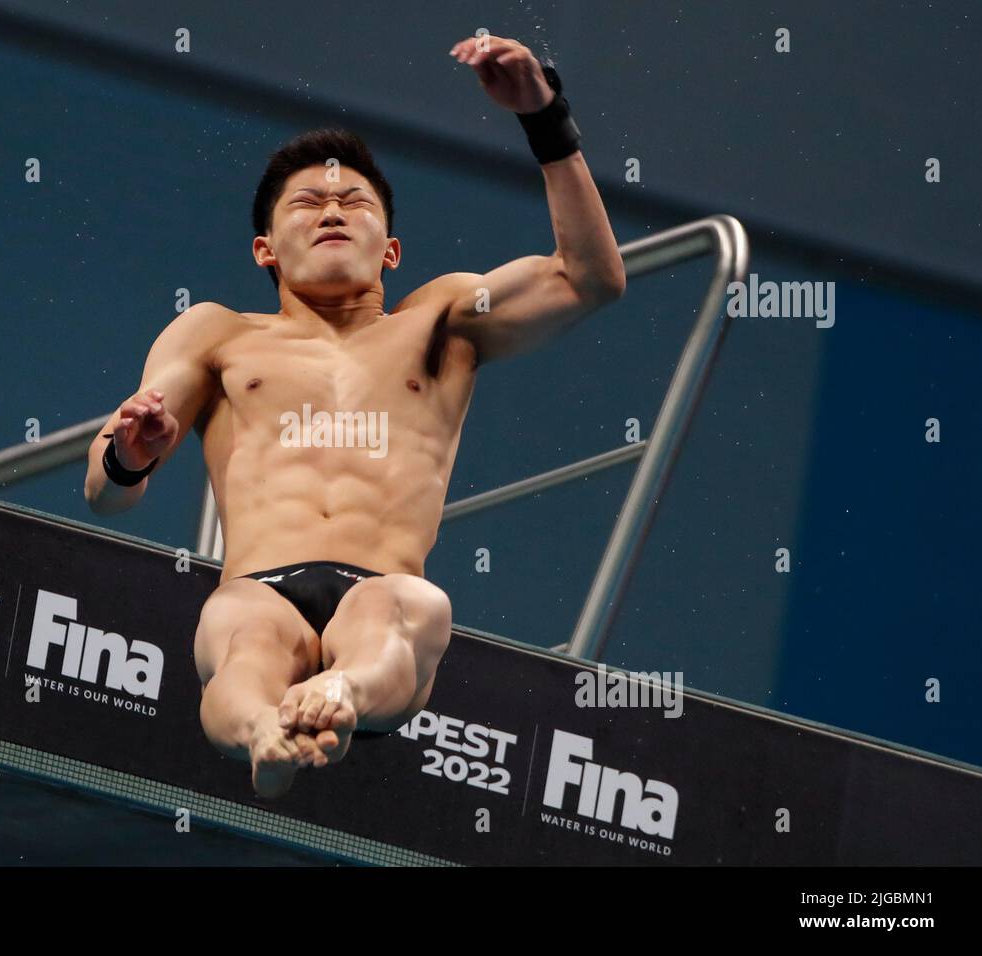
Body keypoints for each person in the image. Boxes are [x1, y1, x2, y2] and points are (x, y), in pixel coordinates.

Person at [84, 35, 625, 798]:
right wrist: (129, 455)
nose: (333, 210)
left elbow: (591, 278)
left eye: (354, 203)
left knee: (405, 607)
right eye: (308, 202)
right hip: (258, 585)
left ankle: (341, 695)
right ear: (265, 250)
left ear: (392, 250)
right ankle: (264, 734)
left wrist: (545, 115)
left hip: (384, 589)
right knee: (241, 635)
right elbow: (104, 493)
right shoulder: (217, 335)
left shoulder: (442, 320)